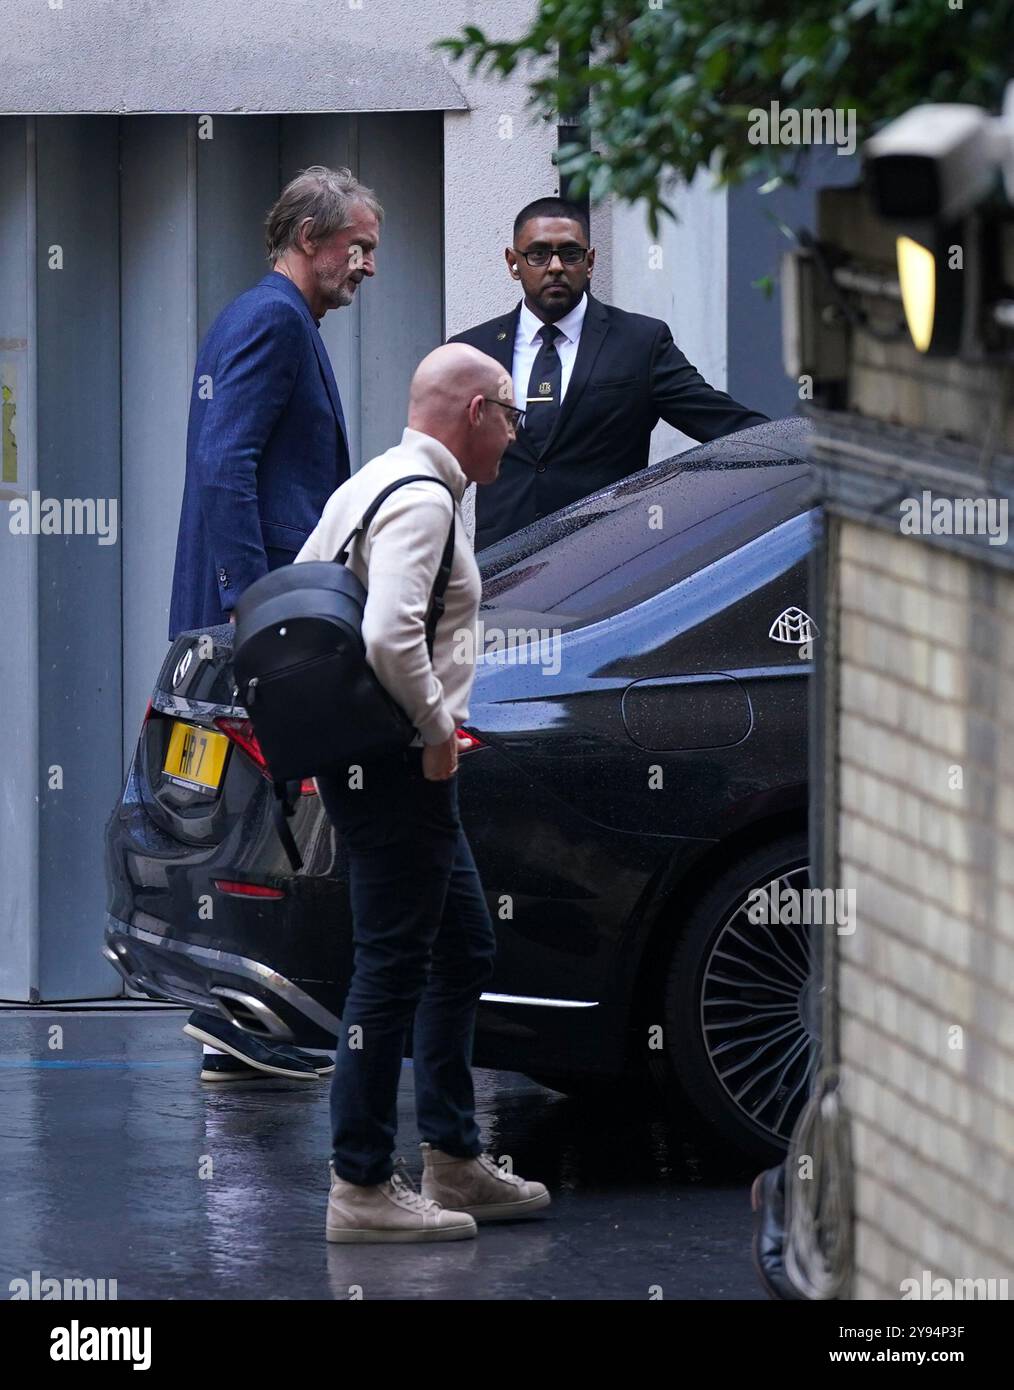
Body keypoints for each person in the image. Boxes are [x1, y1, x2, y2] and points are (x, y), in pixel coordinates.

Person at [298, 343, 550, 1242]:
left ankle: (451, 1159)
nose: (515, 436)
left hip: (379, 766)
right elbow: (389, 634)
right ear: (476, 412)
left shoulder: (371, 482)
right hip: (402, 767)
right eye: (511, 415)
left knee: (464, 947)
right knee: (392, 965)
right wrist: (439, 732)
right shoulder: (425, 501)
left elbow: (312, 582)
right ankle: (361, 1187)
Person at [168, 165, 383, 1082]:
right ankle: (250, 1022)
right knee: (263, 820)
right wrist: (254, 614)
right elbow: (227, 466)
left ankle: (247, 1022)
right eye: (358, 247)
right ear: (309, 238)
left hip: (253, 613)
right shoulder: (272, 320)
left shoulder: (274, 317)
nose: (367, 266)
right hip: (260, 621)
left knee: (254, 817)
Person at [450, 196, 769, 550]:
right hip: (501, 568)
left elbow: (723, 423)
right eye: (538, 254)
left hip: (607, 567)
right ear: (513, 262)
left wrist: (803, 449)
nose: (555, 266)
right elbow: (443, 462)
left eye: (570, 254)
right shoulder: (471, 351)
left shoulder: (640, 342)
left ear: (590, 262)